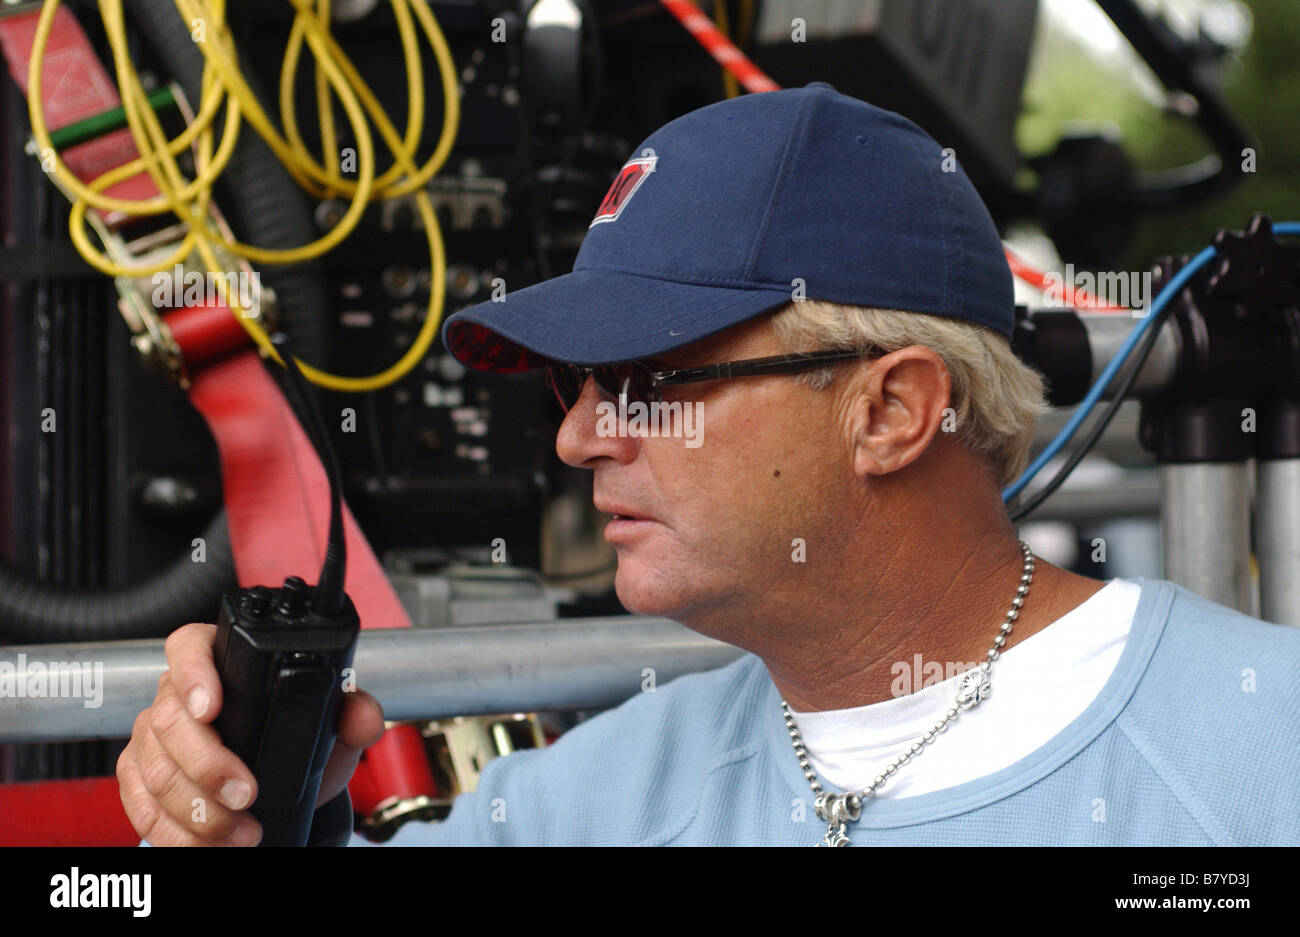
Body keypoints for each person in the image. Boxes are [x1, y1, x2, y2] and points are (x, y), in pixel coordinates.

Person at [118, 82, 1300, 847]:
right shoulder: (594, 799)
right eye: (568, 388)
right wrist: (250, 811)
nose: (581, 437)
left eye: (646, 380)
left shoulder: (1260, 755)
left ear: (890, 411)